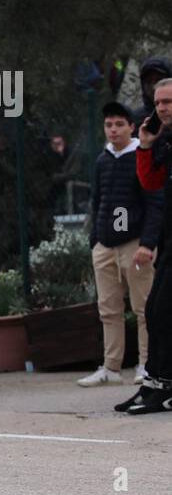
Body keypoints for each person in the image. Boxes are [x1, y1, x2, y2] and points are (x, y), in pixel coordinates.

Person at [78, 103, 159, 388]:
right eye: (108, 125)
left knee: (144, 307)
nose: (113, 130)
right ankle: (111, 367)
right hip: (105, 245)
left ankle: (147, 365)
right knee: (108, 308)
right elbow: (97, 200)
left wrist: (147, 243)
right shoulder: (102, 160)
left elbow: (153, 203)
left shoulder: (141, 156)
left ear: (131, 127)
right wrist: (96, 240)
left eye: (119, 125)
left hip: (135, 244)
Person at [118, 79, 172, 413]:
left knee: (161, 309)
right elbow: (150, 182)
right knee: (155, 310)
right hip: (169, 238)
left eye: (169, 101)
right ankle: (155, 384)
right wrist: (145, 146)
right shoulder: (162, 139)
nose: (163, 107)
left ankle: (161, 385)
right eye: (159, 102)